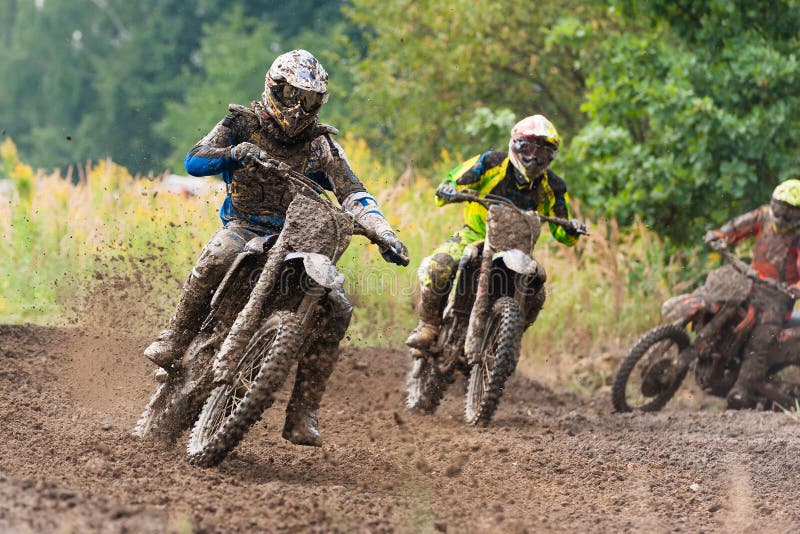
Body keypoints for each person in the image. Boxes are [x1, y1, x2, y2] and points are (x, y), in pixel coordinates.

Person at [144, 50, 408, 446]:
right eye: (295, 96)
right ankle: (177, 337)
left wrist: (383, 231)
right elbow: (194, 160)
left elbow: (353, 191)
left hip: (299, 237)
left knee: (337, 308)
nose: (302, 109)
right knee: (218, 254)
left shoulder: (320, 145)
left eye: (312, 101)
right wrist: (235, 153)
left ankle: (303, 411)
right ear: (275, 90)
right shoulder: (242, 123)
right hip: (246, 226)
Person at [406, 114, 585, 350]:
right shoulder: (491, 162)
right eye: (529, 148)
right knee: (439, 265)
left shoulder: (553, 186)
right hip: (474, 235)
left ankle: (504, 342)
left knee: (538, 291)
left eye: (542, 151)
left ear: (550, 155)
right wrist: (449, 189)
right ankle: (428, 324)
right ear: (517, 144)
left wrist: (572, 227)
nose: (534, 157)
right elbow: (456, 178)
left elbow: (563, 228)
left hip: (519, 249)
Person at [704, 179, 800, 409]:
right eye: (779, 208)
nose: (782, 216)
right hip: (750, 282)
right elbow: (738, 227)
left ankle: (742, 390)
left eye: (790, 212)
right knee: (714, 296)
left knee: (761, 337)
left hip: (778, 296)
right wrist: (720, 235)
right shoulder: (763, 216)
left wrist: (795, 288)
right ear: (772, 203)